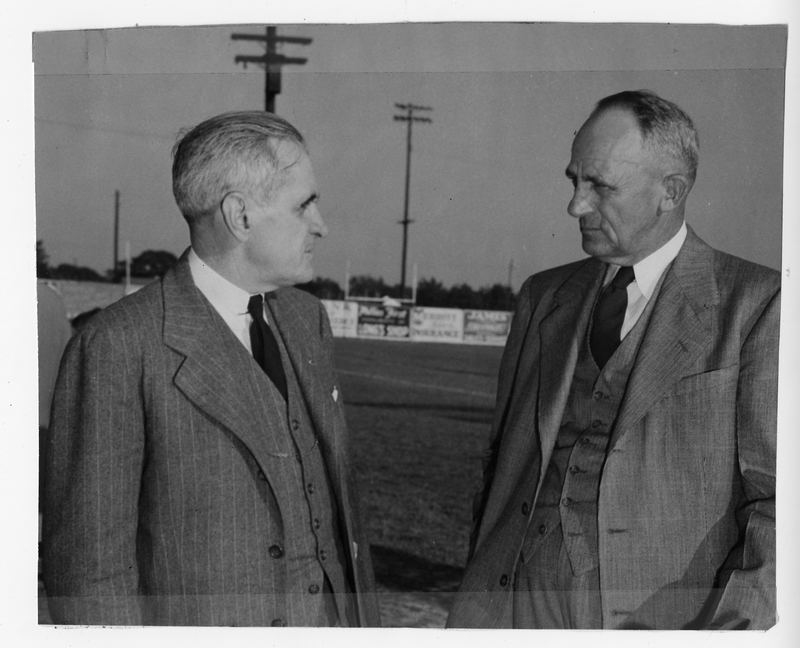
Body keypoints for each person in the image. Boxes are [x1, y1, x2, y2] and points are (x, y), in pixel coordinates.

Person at [447, 90, 778, 630]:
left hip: (659, 622)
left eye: (599, 185)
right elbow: (500, 466)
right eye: (574, 180)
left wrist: (733, 631)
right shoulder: (541, 297)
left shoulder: (758, 305)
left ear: (670, 192)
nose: (575, 205)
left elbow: (778, 507)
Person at [42, 111, 380, 627]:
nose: (322, 224)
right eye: (304, 204)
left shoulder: (306, 318)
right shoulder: (116, 346)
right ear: (240, 216)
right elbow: (89, 575)